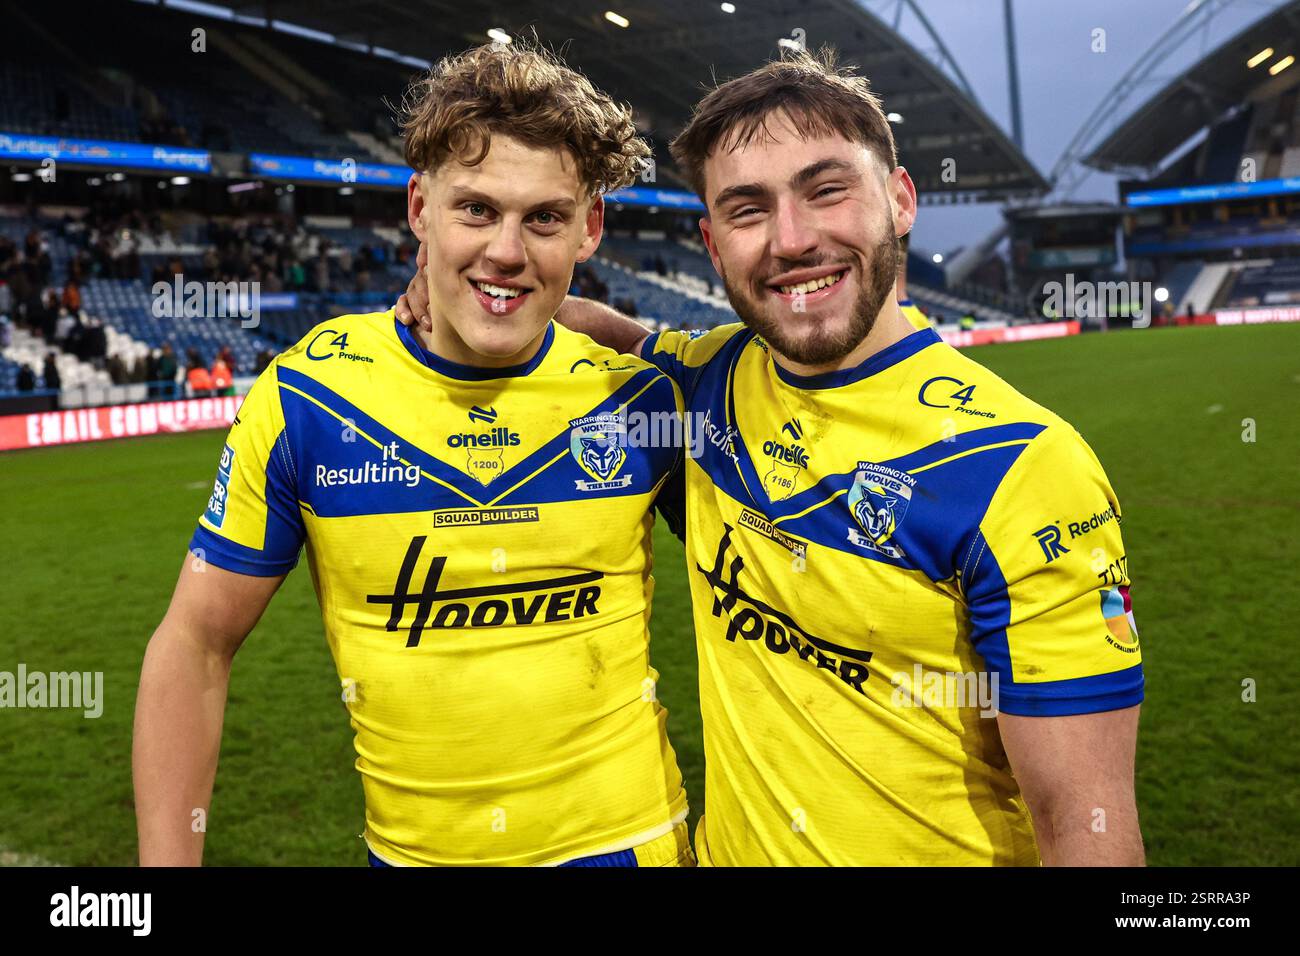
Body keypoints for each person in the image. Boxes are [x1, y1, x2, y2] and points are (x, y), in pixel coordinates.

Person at [399, 47, 1144, 867]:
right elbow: (589, 323)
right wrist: (439, 286)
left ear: (899, 201)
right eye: (748, 211)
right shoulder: (704, 382)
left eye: (827, 190)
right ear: (713, 247)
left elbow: (1084, 825)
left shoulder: (1023, 467)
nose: (792, 241)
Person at [134, 41, 692, 869]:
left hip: (633, 849)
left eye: (544, 217)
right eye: (475, 210)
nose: (507, 249)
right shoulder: (310, 399)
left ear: (591, 228)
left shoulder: (643, 398)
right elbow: (193, 643)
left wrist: (619, 332)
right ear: (418, 207)